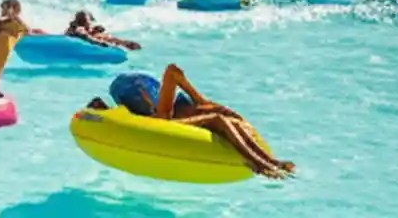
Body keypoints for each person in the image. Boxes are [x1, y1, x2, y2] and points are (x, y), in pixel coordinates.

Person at [91, 65, 294, 179]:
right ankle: (261, 164)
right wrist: (199, 99)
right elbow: (171, 71)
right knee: (218, 119)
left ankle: (269, 161)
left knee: (222, 119)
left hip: (171, 118)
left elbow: (233, 119)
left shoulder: (178, 110)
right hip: (163, 120)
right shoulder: (165, 109)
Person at [65, 10, 140, 50]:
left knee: (101, 34)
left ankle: (123, 43)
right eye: (85, 21)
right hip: (82, 41)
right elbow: (86, 37)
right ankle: (122, 43)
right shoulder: (78, 29)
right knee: (98, 36)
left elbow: (104, 36)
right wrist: (103, 44)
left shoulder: (94, 29)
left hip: (92, 38)